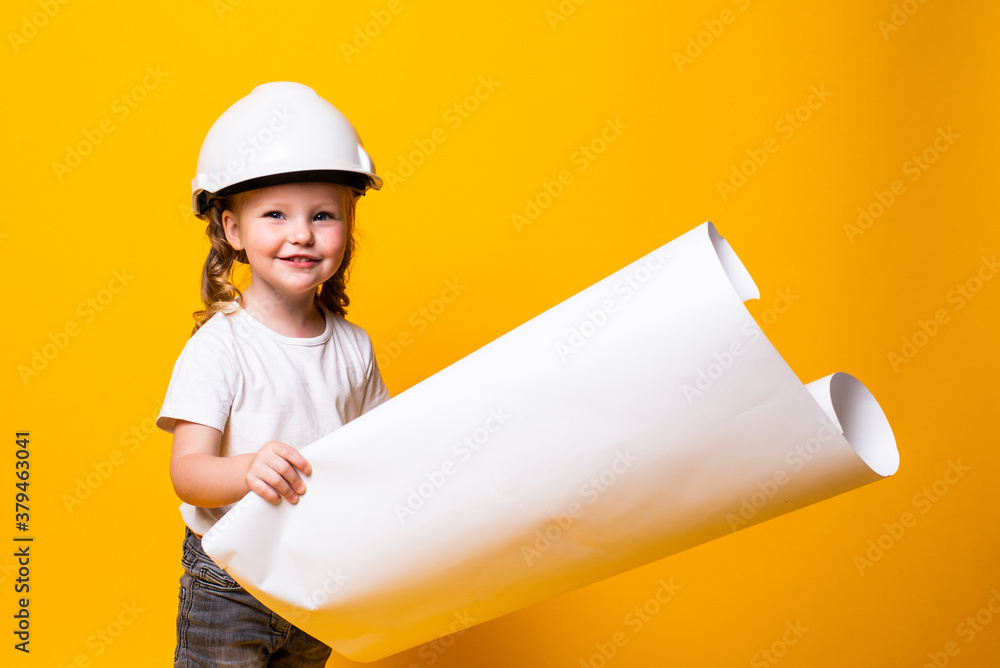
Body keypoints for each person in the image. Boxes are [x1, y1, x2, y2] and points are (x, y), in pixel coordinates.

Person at [156, 81, 391, 667]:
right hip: (229, 579)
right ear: (232, 230)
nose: (302, 233)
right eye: (276, 214)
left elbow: (385, 450)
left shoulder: (353, 348)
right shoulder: (221, 347)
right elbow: (188, 473)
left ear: (348, 225)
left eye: (323, 215)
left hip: (316, 576)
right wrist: (248, 469)